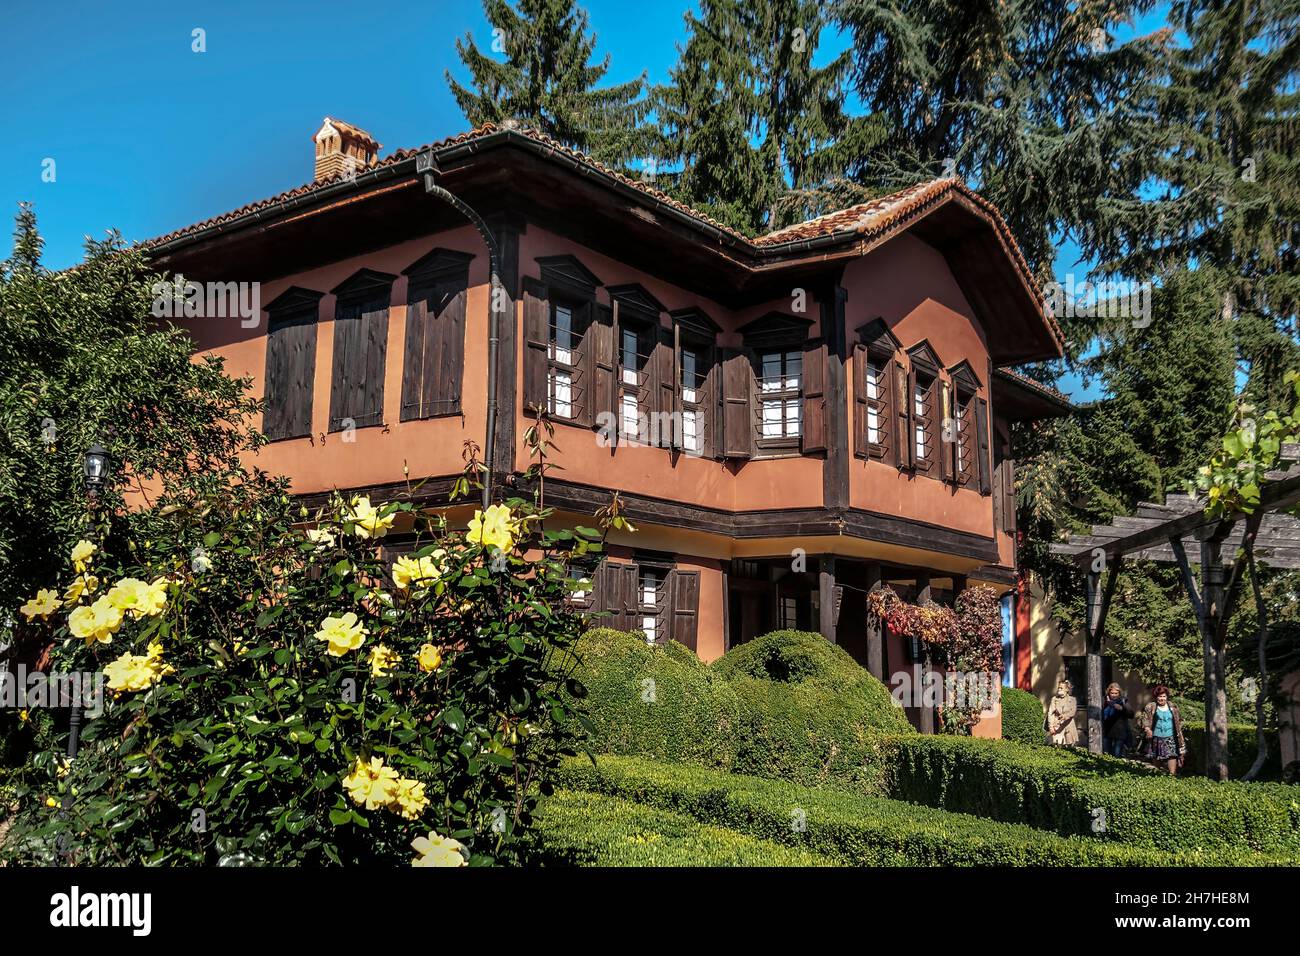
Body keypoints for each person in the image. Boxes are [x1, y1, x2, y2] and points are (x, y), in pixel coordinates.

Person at [1140, 684, 1185, 775]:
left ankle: (1172, 775)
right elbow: (1145, 720)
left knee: (1172, 756)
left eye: (1164, 696)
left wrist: (1180, 733)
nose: (1162, 698)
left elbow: (1179, 720)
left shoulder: (1173, 706)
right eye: (1160, 696)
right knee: (1157, 756)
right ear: (1156, 697)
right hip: (1156, 737)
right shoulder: (1151, 706)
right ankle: (1157, 776)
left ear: (1167, 697)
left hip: (1171, 736)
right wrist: (1148, 729)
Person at [1101, 682, 1135, 757]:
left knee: (1117, 754)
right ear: (1108, 692)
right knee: (1106, 754)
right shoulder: (1105, 701)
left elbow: (1131, 715)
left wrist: (1122, 709)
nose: (1114, 695)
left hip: (1119, 731)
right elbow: (1101, 715)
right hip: (1107, 730)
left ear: (1119, 693)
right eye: (1112, 693)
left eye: (1116, 693)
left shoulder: (1123, 701)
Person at [1045, 679, 1079, 747]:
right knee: (1058, 747)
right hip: (1057, 726)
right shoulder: (1054, 699)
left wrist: (1065, 716)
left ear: (1067, 689)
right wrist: (1051, 726)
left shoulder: (1072, 700)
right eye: (1058, 688)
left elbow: (1073, 712)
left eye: (1061, 688)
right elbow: (1050, 713)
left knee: (1070, 748)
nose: (1059, 689)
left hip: (1069, 726)